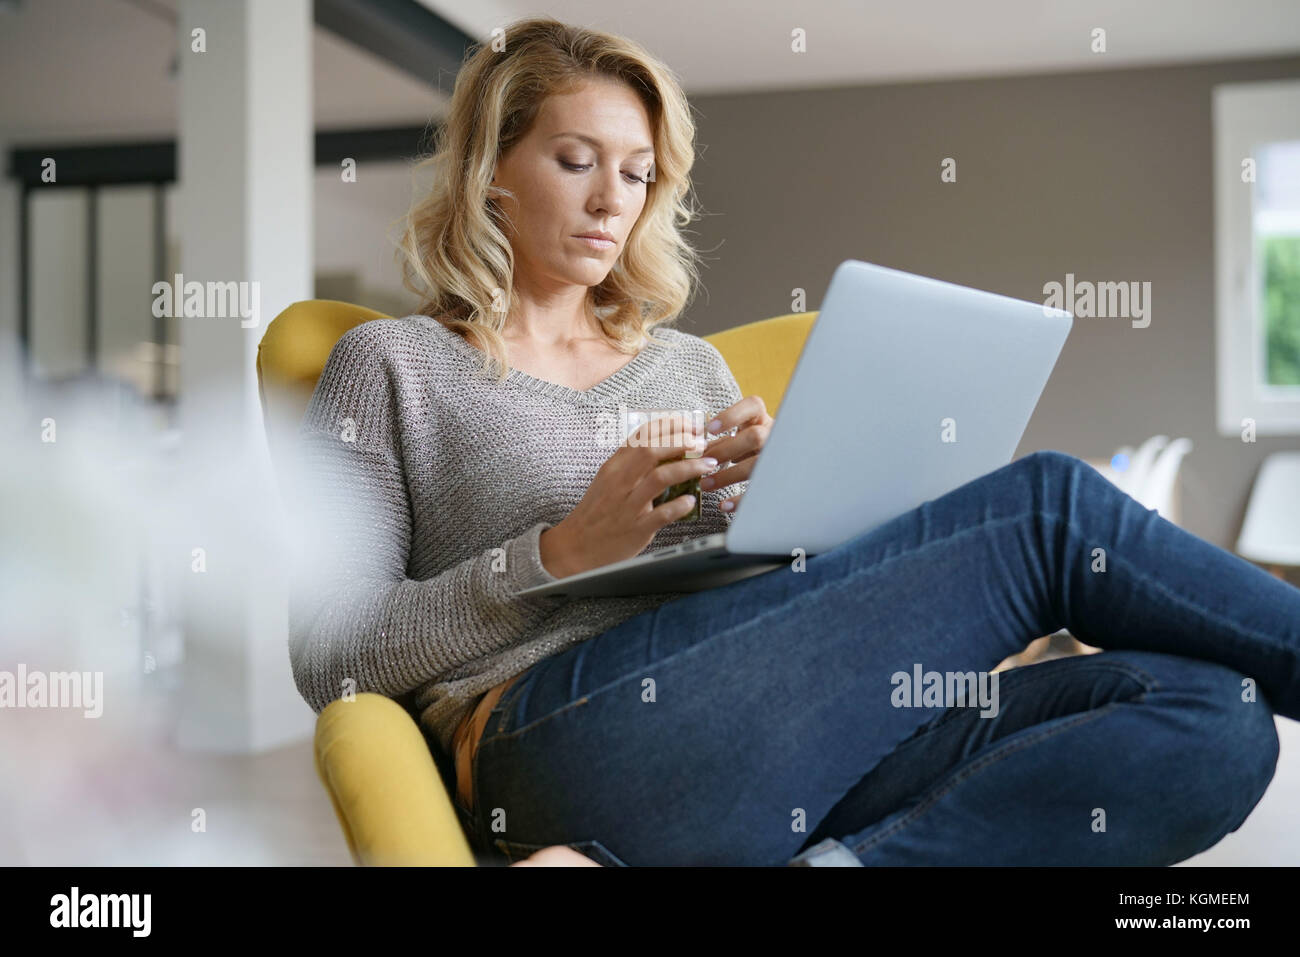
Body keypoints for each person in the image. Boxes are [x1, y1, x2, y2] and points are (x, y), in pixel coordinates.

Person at [287, 16, 1297, 867]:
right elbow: (332, 657)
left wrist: (800, 514)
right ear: (491, 168)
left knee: (1217, 717)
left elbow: (784, 613)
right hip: (570, 741)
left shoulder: (689, 369)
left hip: (789, 748)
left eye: (637, 174)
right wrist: (557, 553)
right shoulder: (392, 366)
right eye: (574, 160)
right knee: (1047, 509)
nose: (611, 200)